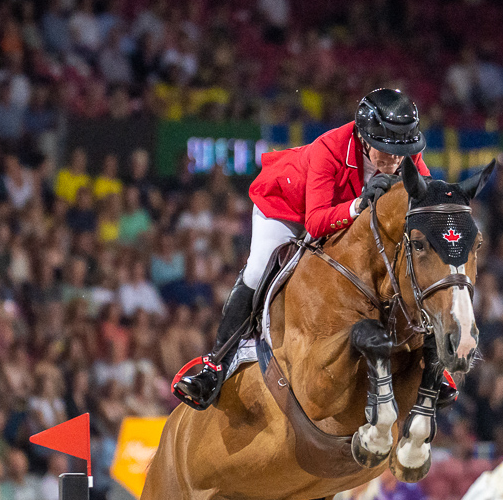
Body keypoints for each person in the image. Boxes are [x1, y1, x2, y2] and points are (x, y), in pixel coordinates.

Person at [171, 88, 428, 410]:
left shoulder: (405, 152)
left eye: (400, 152)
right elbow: (317, 222)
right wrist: (360, 203)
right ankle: (216, 363)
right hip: (287, 207)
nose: (393, 160)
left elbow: (424, 205)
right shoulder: (330, 148)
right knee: (258, 267)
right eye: (383, 150)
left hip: (341, 213)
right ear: (363, 137)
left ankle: (431, 360)